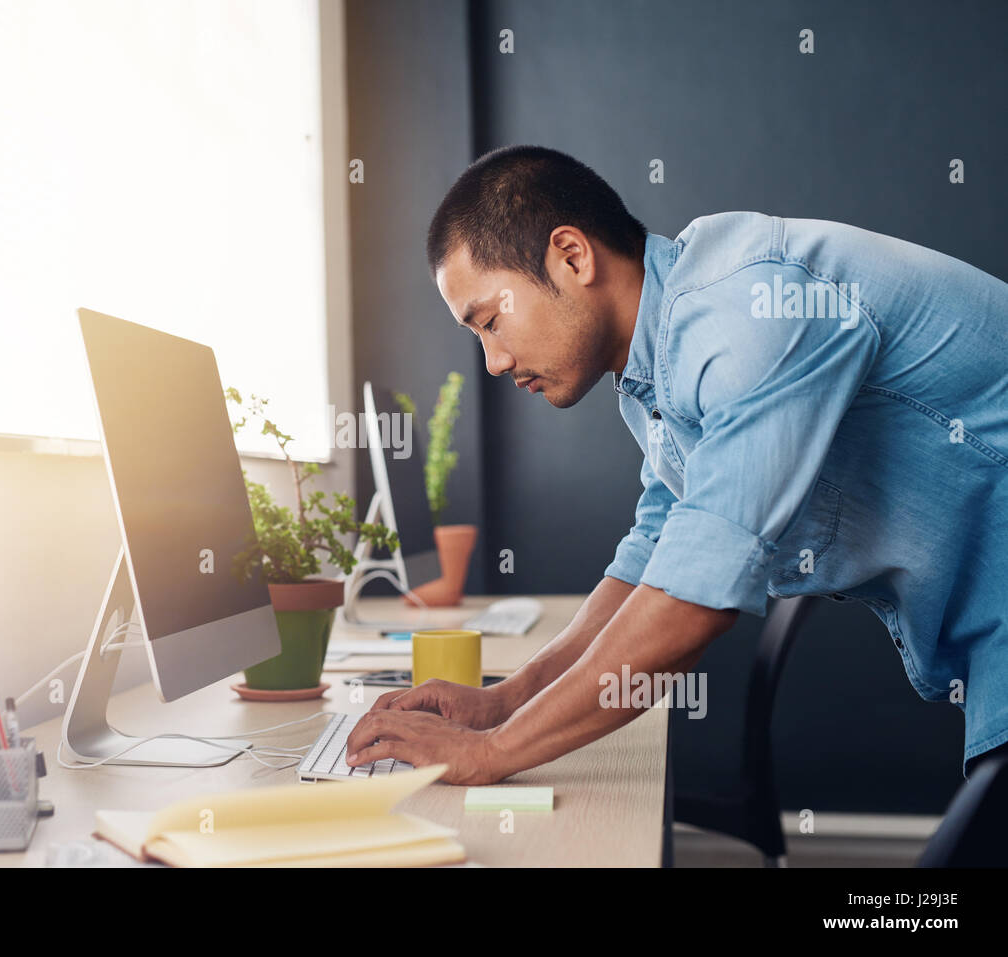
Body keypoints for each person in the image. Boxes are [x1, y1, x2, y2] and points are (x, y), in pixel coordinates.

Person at [344, 144, 1008, 786]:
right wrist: (506, 701)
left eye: (490, 320)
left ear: (571, 255)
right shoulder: (655, 374)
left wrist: (494, 752)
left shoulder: (744, 312)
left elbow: (692, 598)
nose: (493, 360)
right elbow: (653, 558)